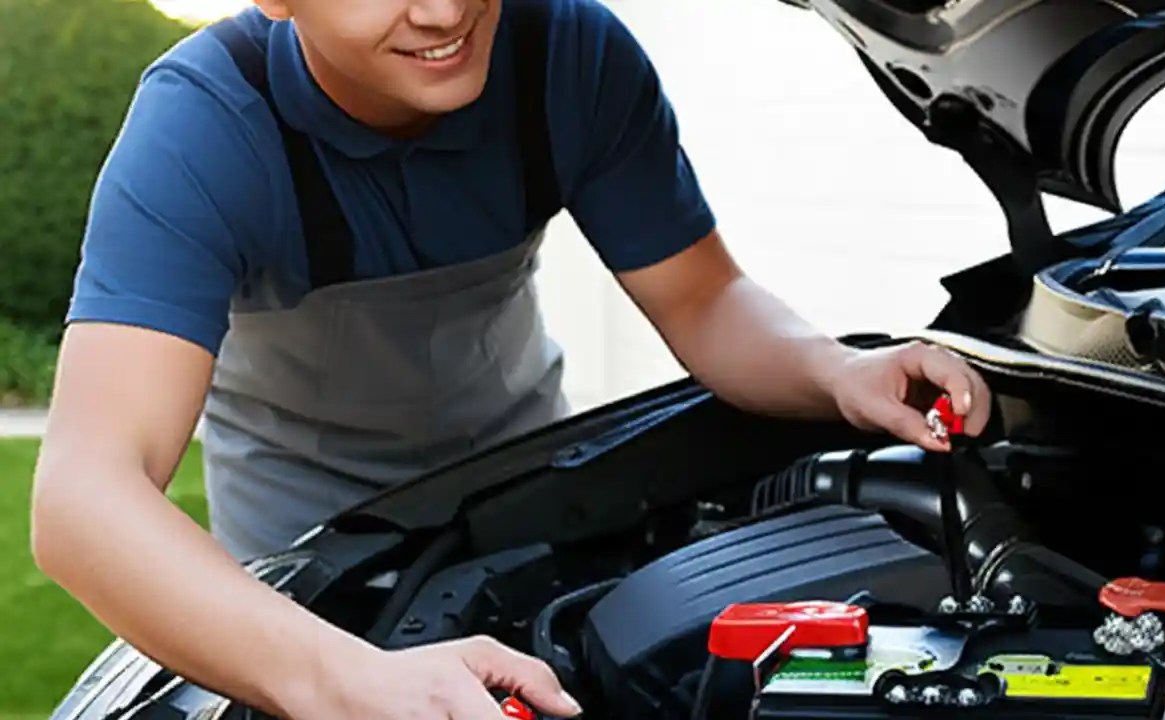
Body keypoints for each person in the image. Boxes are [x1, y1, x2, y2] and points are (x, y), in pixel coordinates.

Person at [29, 0, 993, 717]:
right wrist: (343, 679)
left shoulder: (568, 55)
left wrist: (835, 372)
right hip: (316, 570)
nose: (446, 13)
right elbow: (84, 497)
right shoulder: (201, 131)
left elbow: (704, 300)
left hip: (536, 512)